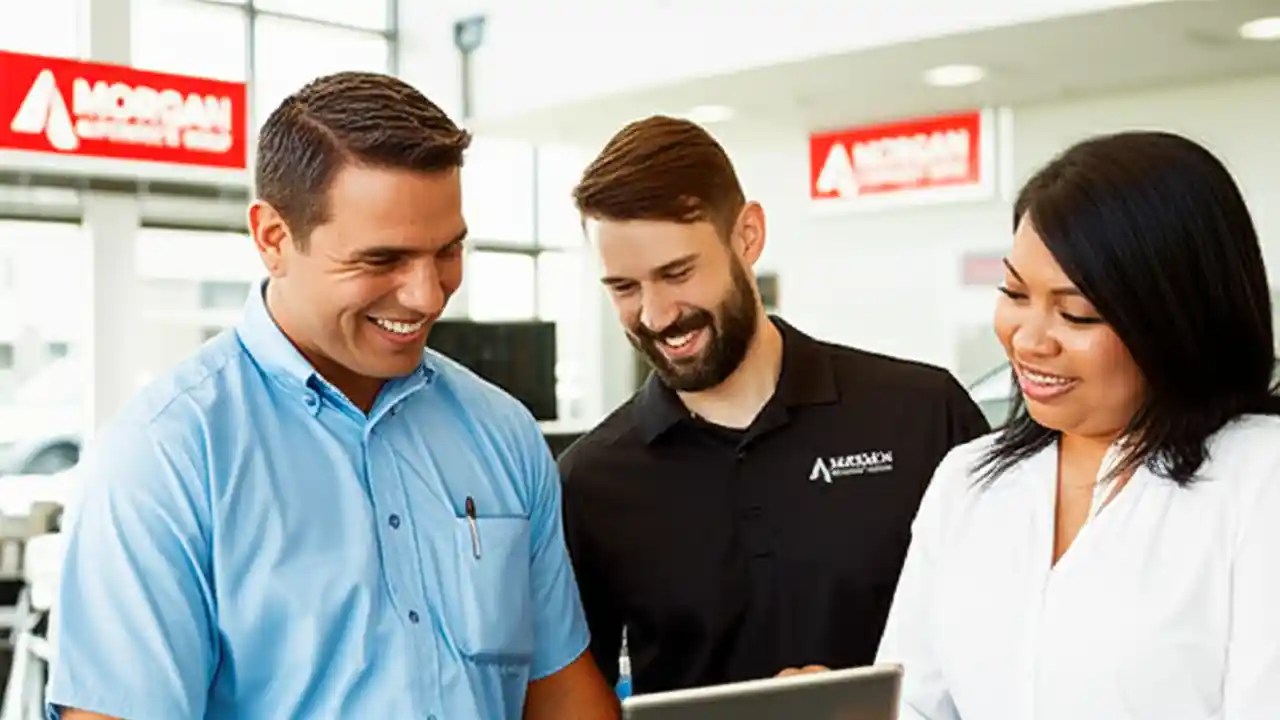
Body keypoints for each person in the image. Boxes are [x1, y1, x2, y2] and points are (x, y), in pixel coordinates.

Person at [47, 71, 619, 720]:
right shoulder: (168, 456)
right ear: (272, 239)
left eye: (448, 251)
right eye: (382, 260)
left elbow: (563, 697)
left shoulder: (502, 431)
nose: (427, 295)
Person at [557, 115, 990, 694]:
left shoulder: (923, 414)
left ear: (748, 235)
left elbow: (1009, 645)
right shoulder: (592, 481)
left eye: (678, 272)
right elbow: (575, 700)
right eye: (624, 288)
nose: (656, 315)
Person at [876, 131, 1280, 719]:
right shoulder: (968, 480)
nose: (1029, 340)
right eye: (1014, 293)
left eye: (1076, 314)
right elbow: (911, 704)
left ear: (1175, 316)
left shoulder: (1260, 478)